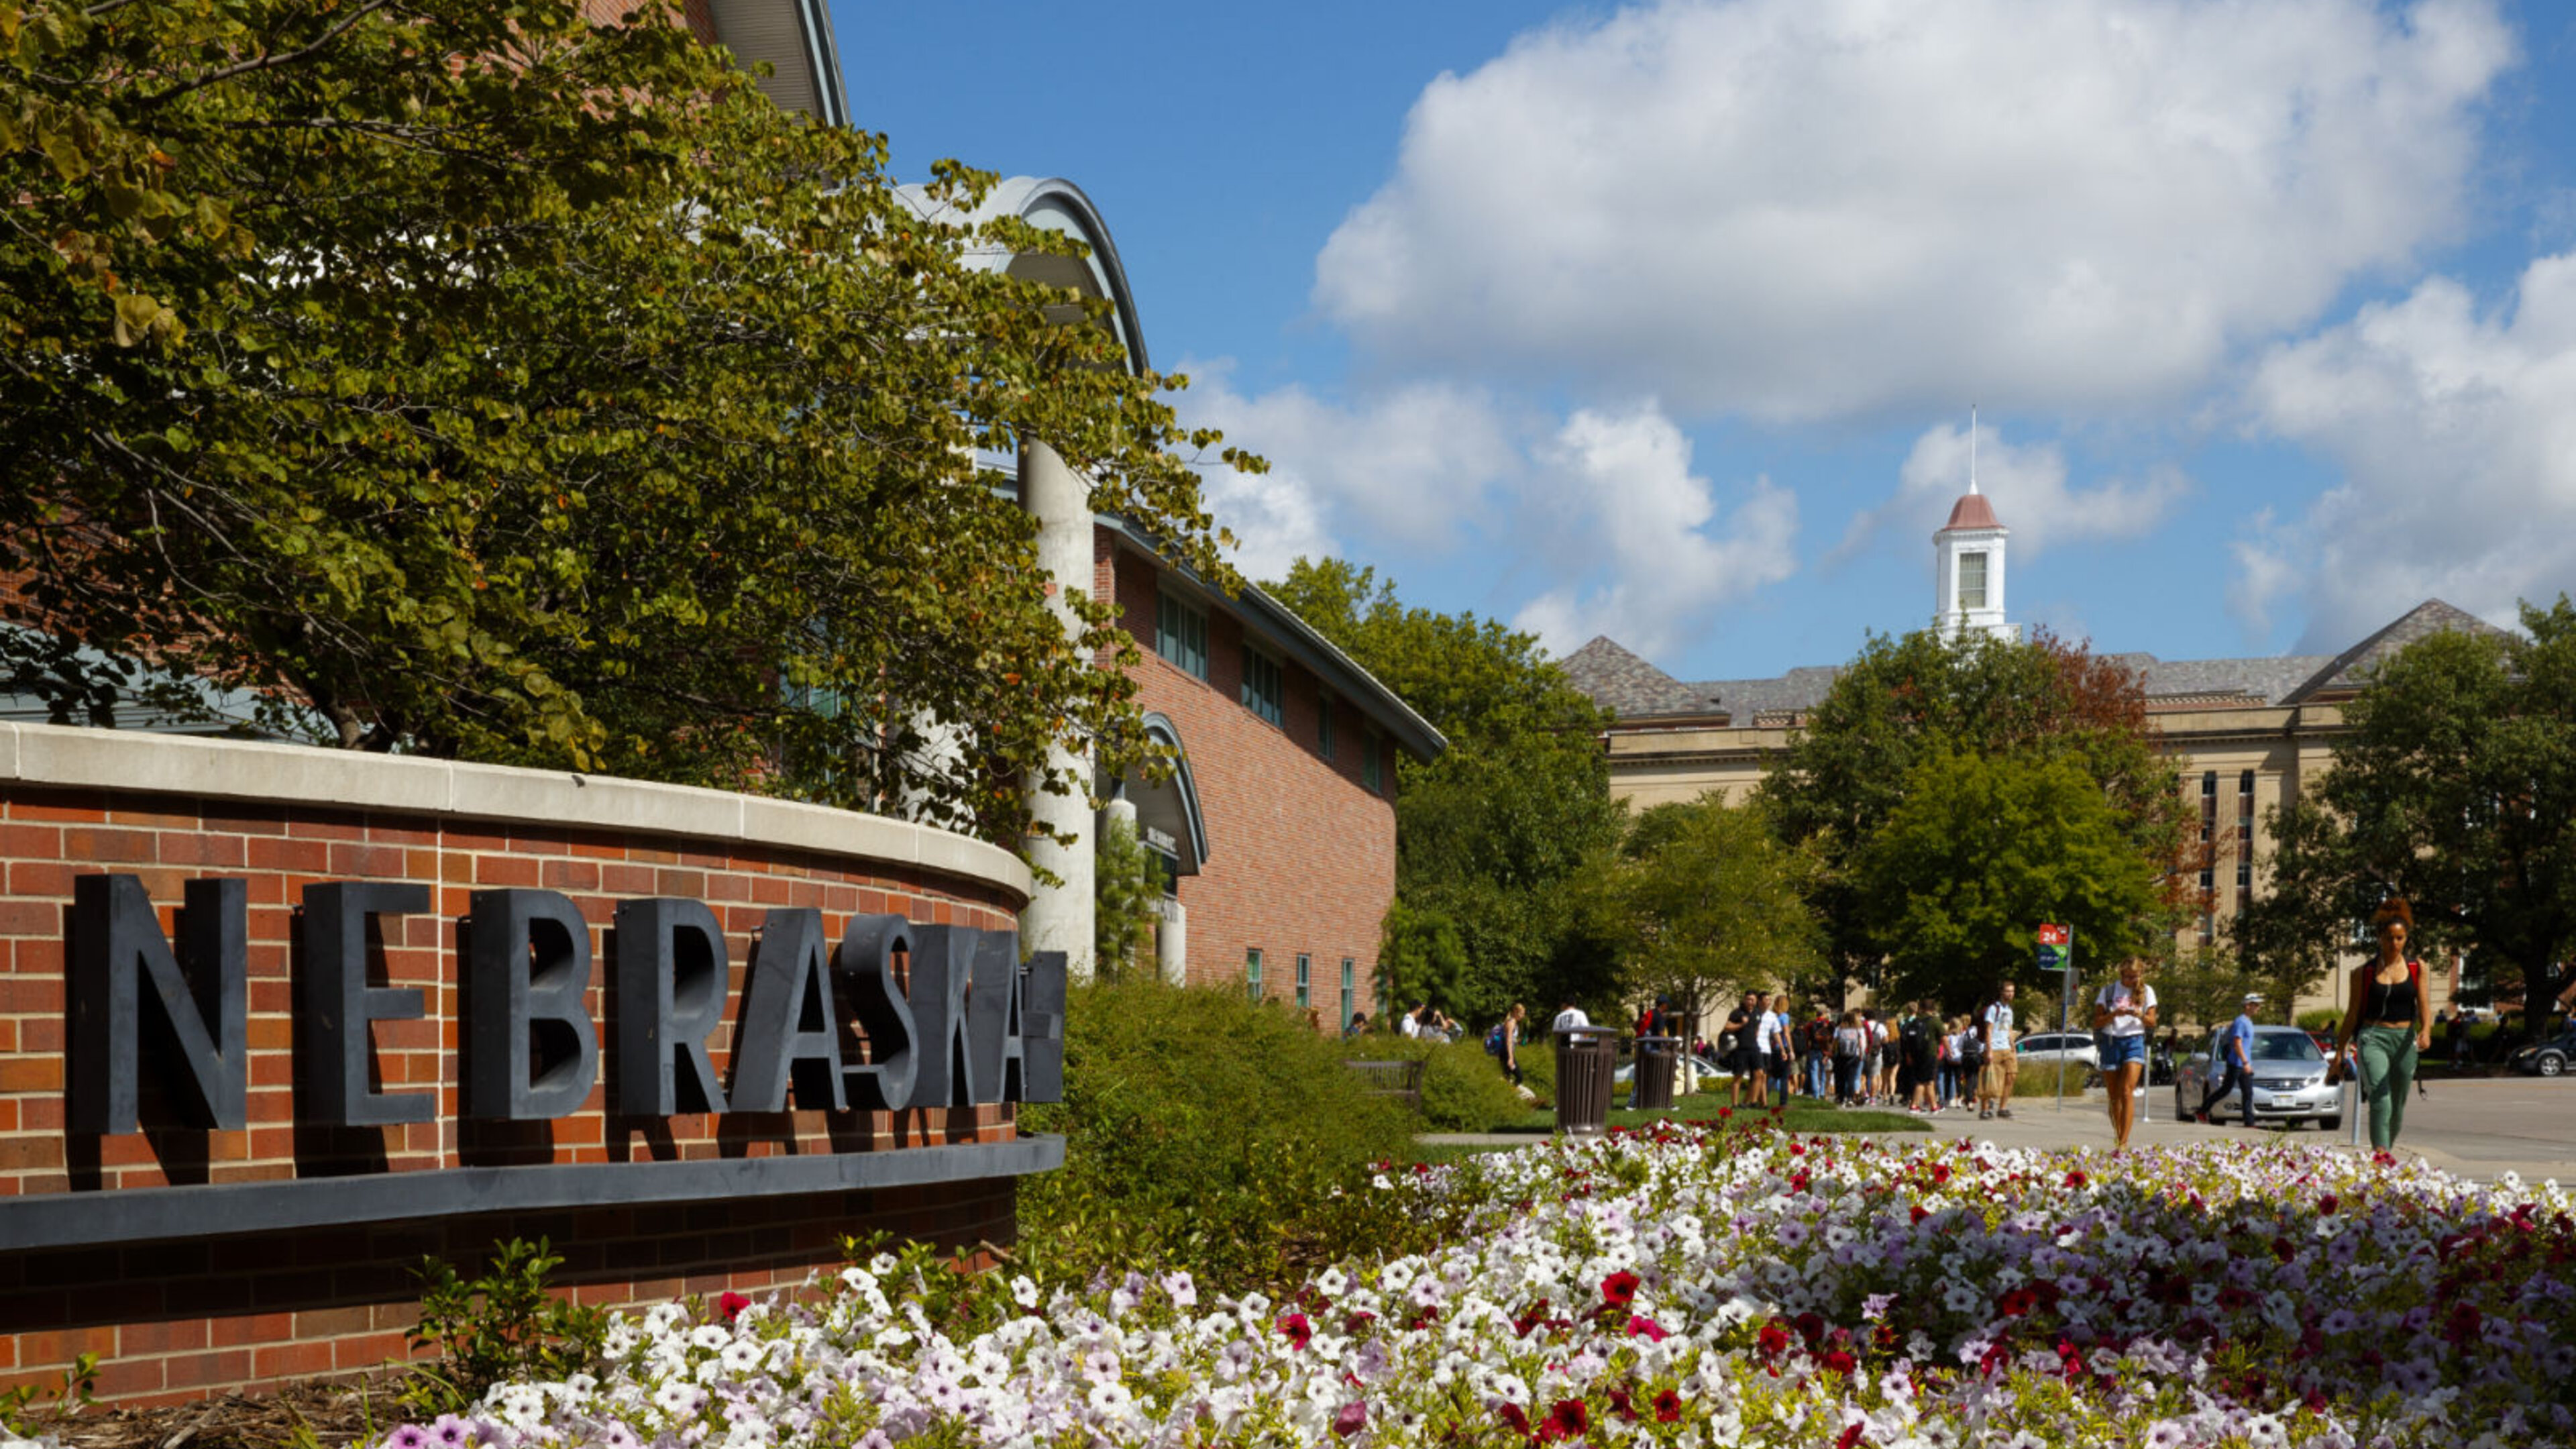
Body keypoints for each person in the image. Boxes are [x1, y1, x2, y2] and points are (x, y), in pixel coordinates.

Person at [2330, 898, 2432, 1150]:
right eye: (2389, 938)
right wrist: (2340, 1051)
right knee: (2381, 1100)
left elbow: (2424, 1004)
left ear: (2406, 938)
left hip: (2405, 1039)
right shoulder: (2363, 973)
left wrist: (2427, 1030)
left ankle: (2386, 1154)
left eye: (2399, 938)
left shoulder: (2417, 967)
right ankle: (2381, 1160)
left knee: (2397, 1108)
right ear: (2379, 938)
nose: (2394, 943)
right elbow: (2352, 1015)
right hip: (2372, 1037)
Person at [2092, 957, 2159, 1152]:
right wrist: (2114, 1015)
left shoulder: (2147, 992)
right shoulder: (2108, 991)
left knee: (2127, 1091)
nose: (2131, 980)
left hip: (2134, 1041)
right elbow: (2097, 1022)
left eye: (2135, 977)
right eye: (2128, 977)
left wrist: (2138, 1014)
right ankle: (2119, 1134)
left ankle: (2124, 1142)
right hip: (2111, 1041)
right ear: (2121, 974)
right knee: (2114, 1097)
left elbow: (2152, 1022)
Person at [2197, 992, 2261, 1125]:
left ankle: (2249, 1122)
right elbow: (2237, 1044)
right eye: (2256, 1005)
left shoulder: (2248, 1022)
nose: (2258, 1007)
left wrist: (2247, 1063)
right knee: (2226, 1090)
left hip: (2244, 1063)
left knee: (2248, 1093)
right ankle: (2203, 1110)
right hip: (2236, 1063)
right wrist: (2245, 1062)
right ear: (2248, 1006)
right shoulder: (2241, 1022)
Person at [1978, 981, 2019, 1120]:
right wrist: (1988, 1050)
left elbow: (2009, 1030)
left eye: (2012, 991)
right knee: (1989, 1078)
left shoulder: (2010, 1010)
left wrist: (2013, 1046)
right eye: (2008, 991)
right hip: (1994, 1047)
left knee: (2011, 1076)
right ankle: (1985, 1110)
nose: (2010, 994)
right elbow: (1988, 1031)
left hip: (2006, 1048)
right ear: (2001, 992)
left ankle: (2003, 1107)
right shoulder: (1993, 1009)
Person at [1722, 993, 1757, 1106]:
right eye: (1748, 999)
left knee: (1758, 1075)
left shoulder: (1757, 1013)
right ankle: (1735, 1104)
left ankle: (1749, 1102)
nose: (1750, 1002)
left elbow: (1757, 1029)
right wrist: (1741, 1024)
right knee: (1738, 1076)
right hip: (1740, 1049)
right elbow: (1727, 1027)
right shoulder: (1737, 1013)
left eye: (1753, 1000)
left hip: (1754, 1048)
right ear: (1744, 1000)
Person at [1833, 1010, 1866, 1105]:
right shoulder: (1859, 1029)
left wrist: (1832, 1052)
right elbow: (1861, 1043)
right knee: (1851, 1077)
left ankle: (1841, 1097)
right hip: (1854, 1055)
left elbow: (1835, 1042)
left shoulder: (1839, 1029)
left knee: (1841, 1077)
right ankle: (1850, 1098)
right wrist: (1861, 1054)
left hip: (1841, 1055)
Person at [1803, 1003, 1835, 1099]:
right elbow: (1832, 1037)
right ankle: (1822, 1092)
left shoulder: (1811, 1024)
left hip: (1813, 1048)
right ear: (1824, 1013)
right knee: (1824, 1071)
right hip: (1824, 1050)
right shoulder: (1828, 1024)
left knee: (1814, 1071)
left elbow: (1806, 1036)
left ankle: (1815, 1094)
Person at [1500, 1002, 1526, 1087]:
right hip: (1507, 1053)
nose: (1522, 1016)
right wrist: (1510, 1058)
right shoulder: (1511, 1023)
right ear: (1515, 1012)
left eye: (1523, 1014)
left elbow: (1511, 1039)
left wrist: (1518, 1042)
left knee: (1507, 1076)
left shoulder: (1512, 1022)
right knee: (1520, 1076)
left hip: (1506, 1052)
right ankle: (1512, 1092)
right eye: (1521, 1013)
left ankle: (1507, 1094)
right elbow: (1508, 1041)